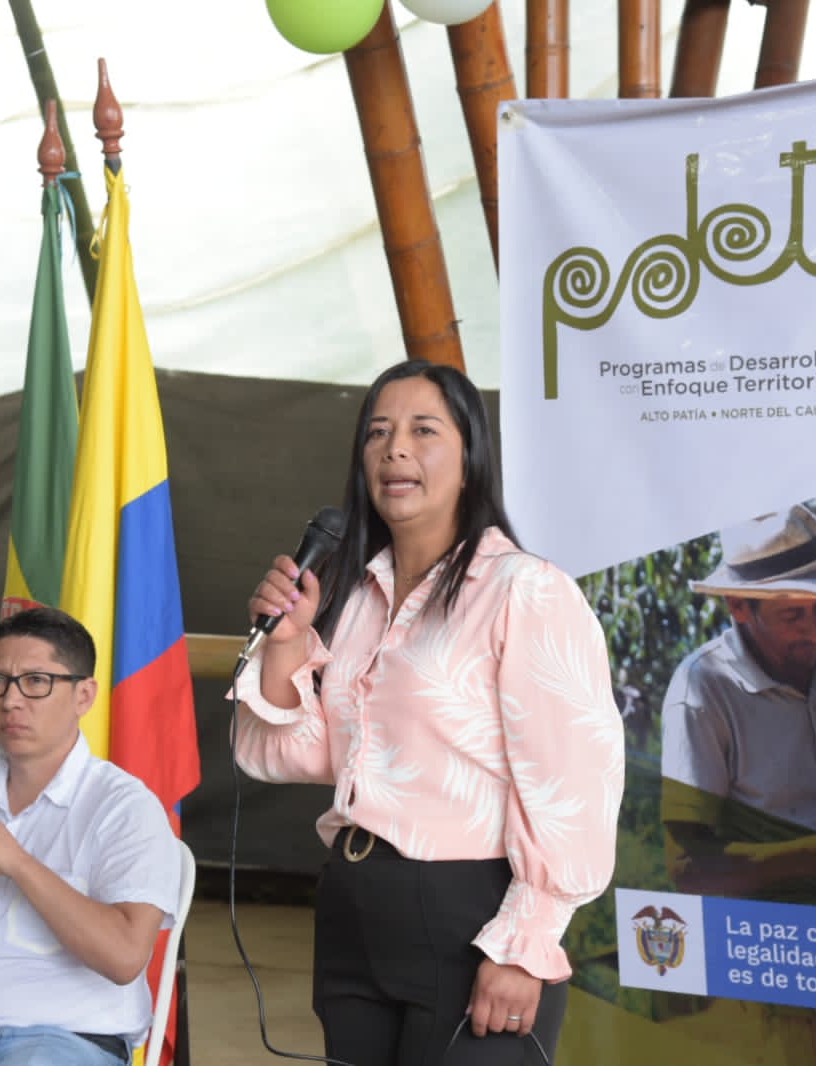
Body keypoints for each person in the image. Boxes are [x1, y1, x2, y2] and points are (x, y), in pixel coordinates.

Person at [232, 360, 625, 1066]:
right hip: (354, 906)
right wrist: (289, 646)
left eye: (422, 430)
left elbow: (577, 786)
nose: (394, 450)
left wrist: (523, 945)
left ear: (470, 456)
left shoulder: (522, 592)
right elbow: (295, 757)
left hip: (469, 914)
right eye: (377, 433)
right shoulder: (358, 599)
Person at [0, 607, 181, 1066]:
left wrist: (20, 865)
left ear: (84, 695)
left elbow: (125, 959)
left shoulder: (124, 806)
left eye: (37, 682)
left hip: (68, 1044)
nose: (11, 700)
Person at [660, 505, 816, 897]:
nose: (815, 630)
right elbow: (688, 867)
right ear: (739, 606)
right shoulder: (703, 689)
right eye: (794, 615)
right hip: (765, 936)